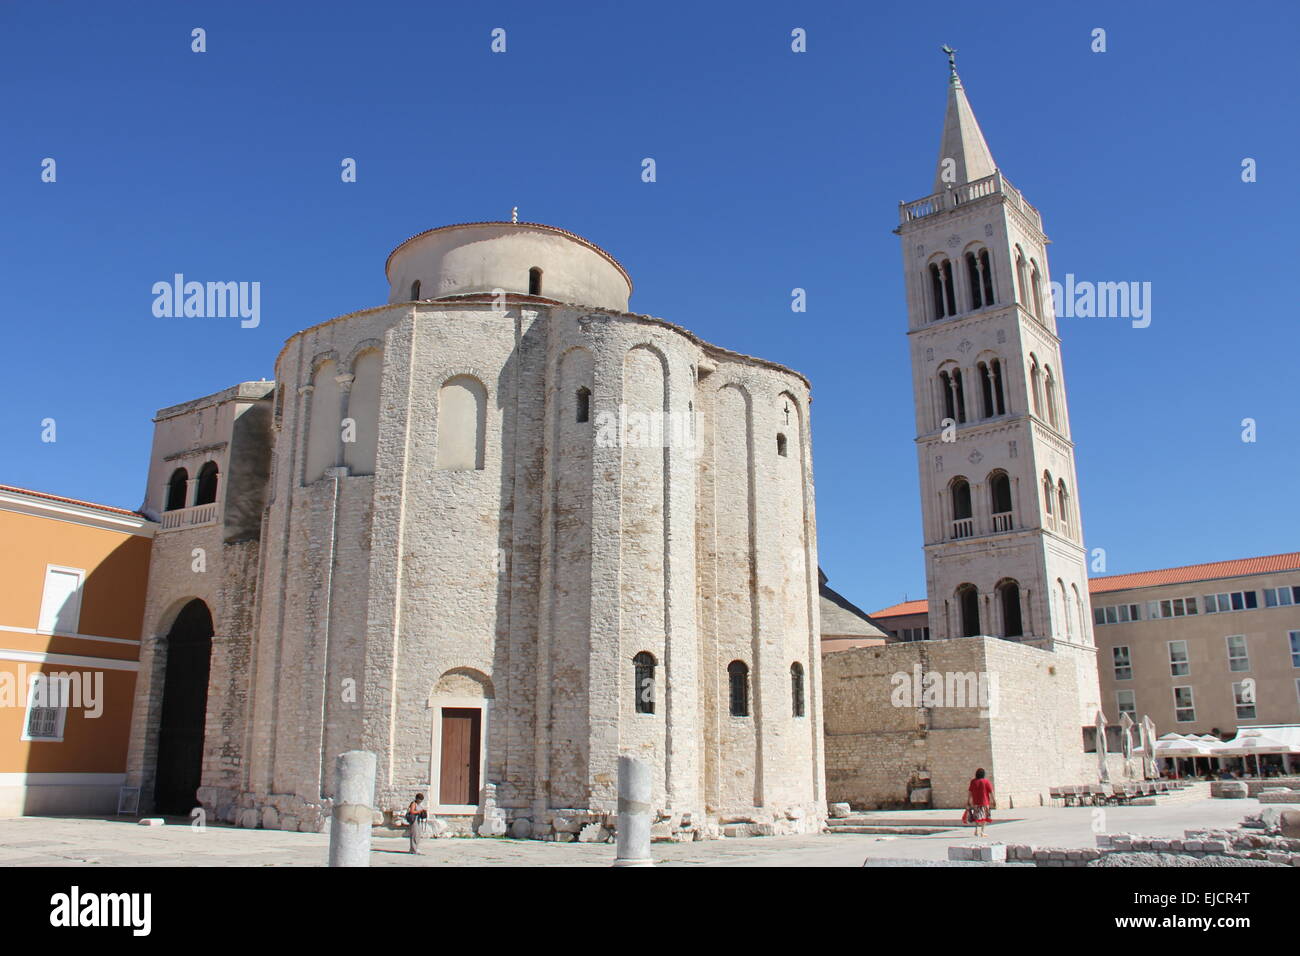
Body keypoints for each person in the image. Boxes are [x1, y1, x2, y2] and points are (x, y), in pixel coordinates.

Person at [967, 768, 994, 838]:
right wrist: (994, 800)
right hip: (985, 802)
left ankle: (976, 830)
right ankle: (982, 831)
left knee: (977, 817)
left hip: (976, 802)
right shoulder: (986, 781)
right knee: (984, 817)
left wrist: (968, 800)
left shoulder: (973, 781)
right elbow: (991, 792)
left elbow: (970, 792)